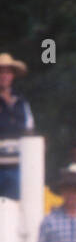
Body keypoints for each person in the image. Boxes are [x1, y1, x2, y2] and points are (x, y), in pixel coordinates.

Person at [0, 52, 35, 201]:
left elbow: (30, 131)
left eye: (8, 72)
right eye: (1, 71)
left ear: (13, 75)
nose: (4, 75)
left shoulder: (21, 102)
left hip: (19, 166)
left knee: (17, 209)